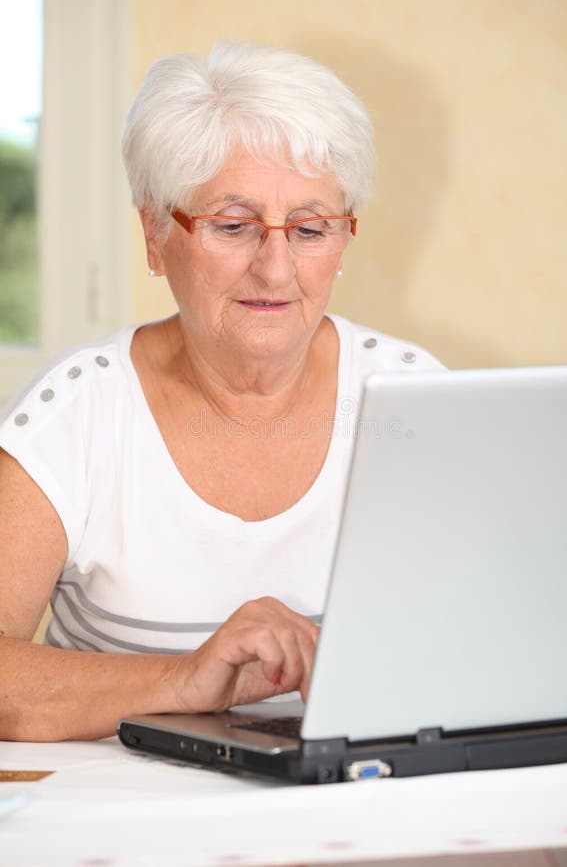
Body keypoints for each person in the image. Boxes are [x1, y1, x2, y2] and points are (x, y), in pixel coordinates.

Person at [0, 41, 443, 741]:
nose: (275, 269)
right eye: (233, 227)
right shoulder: (78, 414)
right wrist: (181, 680)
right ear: (154, 232)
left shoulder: (418, 398)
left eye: (310, 229)